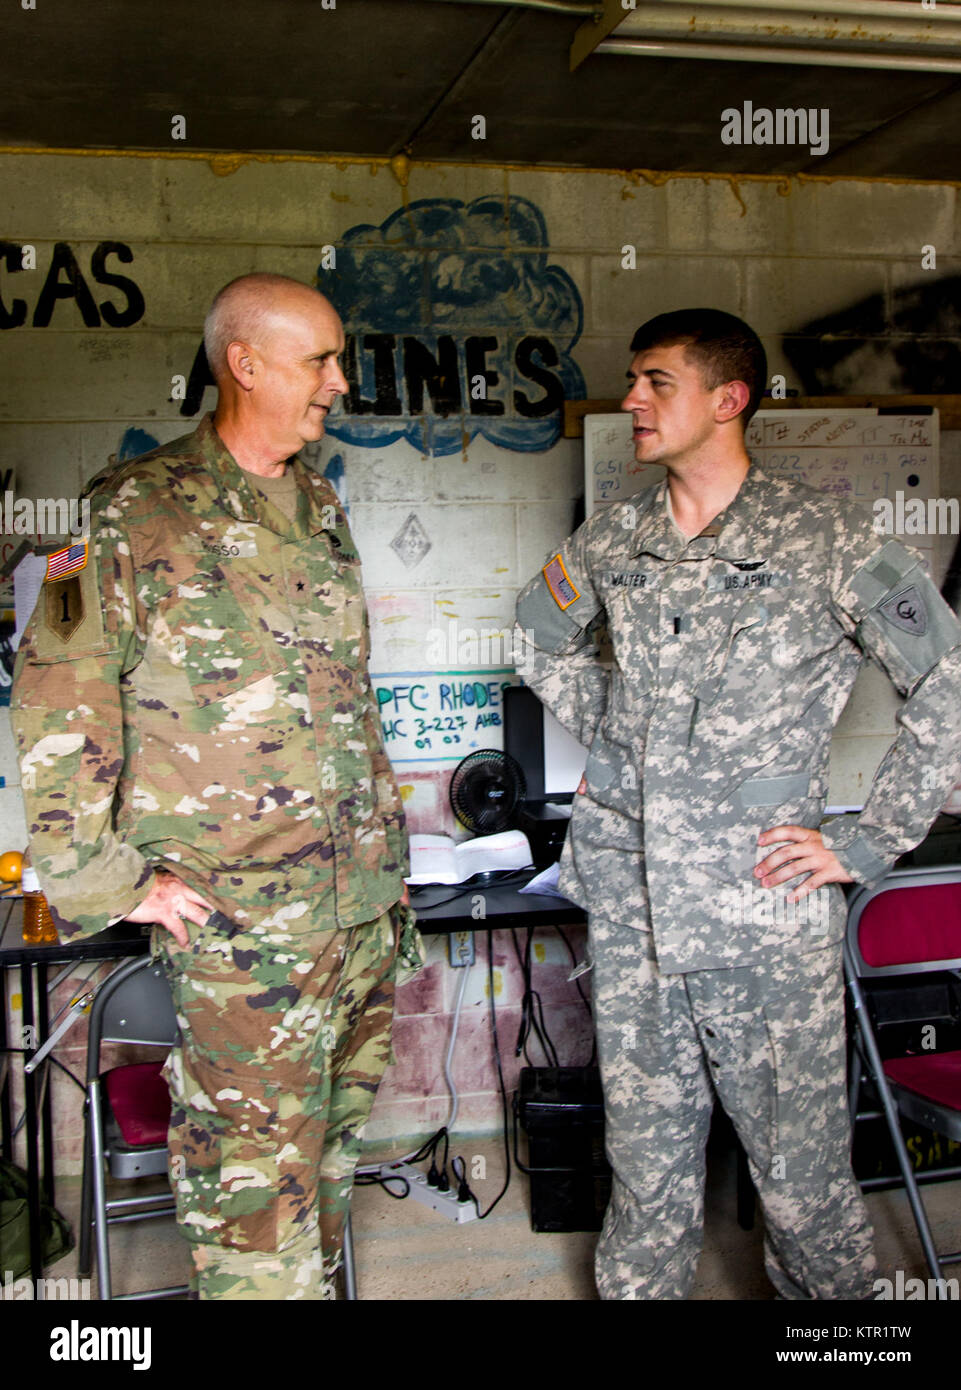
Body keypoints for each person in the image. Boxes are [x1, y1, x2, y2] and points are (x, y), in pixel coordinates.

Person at [514, 308, 961, 1300]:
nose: (630, 400)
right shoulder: (618, 533)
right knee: (645, 1173)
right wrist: (629, 734)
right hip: (634, 908)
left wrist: (870, 837)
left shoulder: (828, 537)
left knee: (801, 1183)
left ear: (728, 399)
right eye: (632, 379)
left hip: (762, 908)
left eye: (654, 381)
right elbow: (536, 635)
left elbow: (949, 675)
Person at [13, 272, 416, 1300]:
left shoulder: (319, 504)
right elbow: (59, 703)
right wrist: (106, 881)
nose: (338, 381)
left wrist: (389, 866)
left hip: (358, 914)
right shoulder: (132, 513)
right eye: (319, 359)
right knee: (253, 1209)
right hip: (245, 931)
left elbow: (344, 700)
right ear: (245, 364)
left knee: (322, 1179)